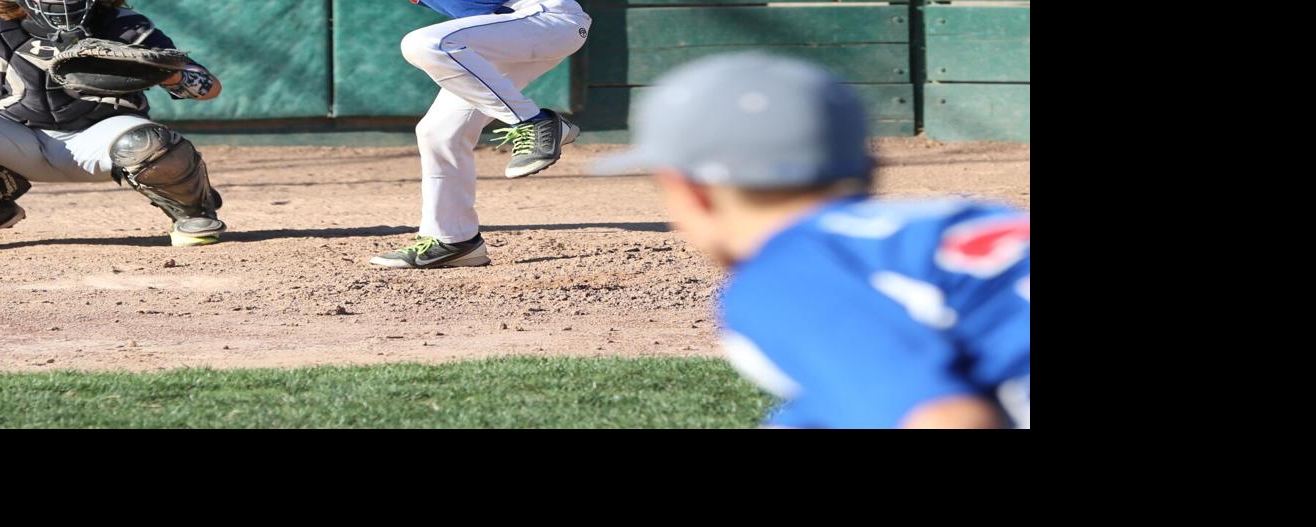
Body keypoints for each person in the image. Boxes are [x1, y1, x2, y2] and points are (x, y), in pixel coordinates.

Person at [597, 54, 1031, 429]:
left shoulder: (788, 273)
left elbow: (947, 419)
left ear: (691, 192)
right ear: (870, 169)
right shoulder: (964, 222)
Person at [0, 1, 227, 252]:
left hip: (99, 139)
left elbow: (208, 88)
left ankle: (194, 211)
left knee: (151, 145)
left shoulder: (123, 25)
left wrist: (166, 73)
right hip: (15, 138)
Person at [372, 0, 591, 269]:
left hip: (547, 18)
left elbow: (477, 7)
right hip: (512, 28)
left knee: (426, 43)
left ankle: (535, 122)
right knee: (439, 133)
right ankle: (455, 240)